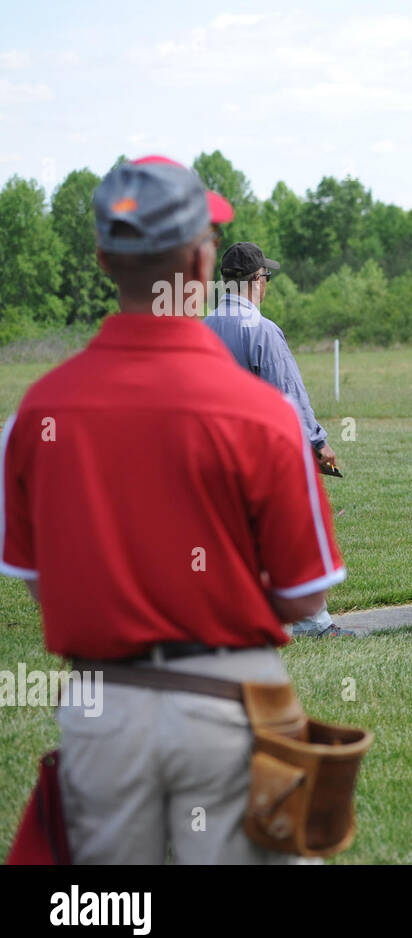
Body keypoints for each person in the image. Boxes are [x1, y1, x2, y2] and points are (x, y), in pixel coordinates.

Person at [0, 155, 346, 863]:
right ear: (202, 256)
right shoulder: (266, 414)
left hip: (101, 710)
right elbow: (303, 592)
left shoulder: (37, 411)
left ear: (102, 257)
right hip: (231, 706)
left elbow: (39, 578)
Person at [205, 241, 353, 638]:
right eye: (266, 277)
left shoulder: (201, 329)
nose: (267, 284)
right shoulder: (262, 331)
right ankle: (313, 623)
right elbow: (288, 395)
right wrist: (319, 443)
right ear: (257, 280)